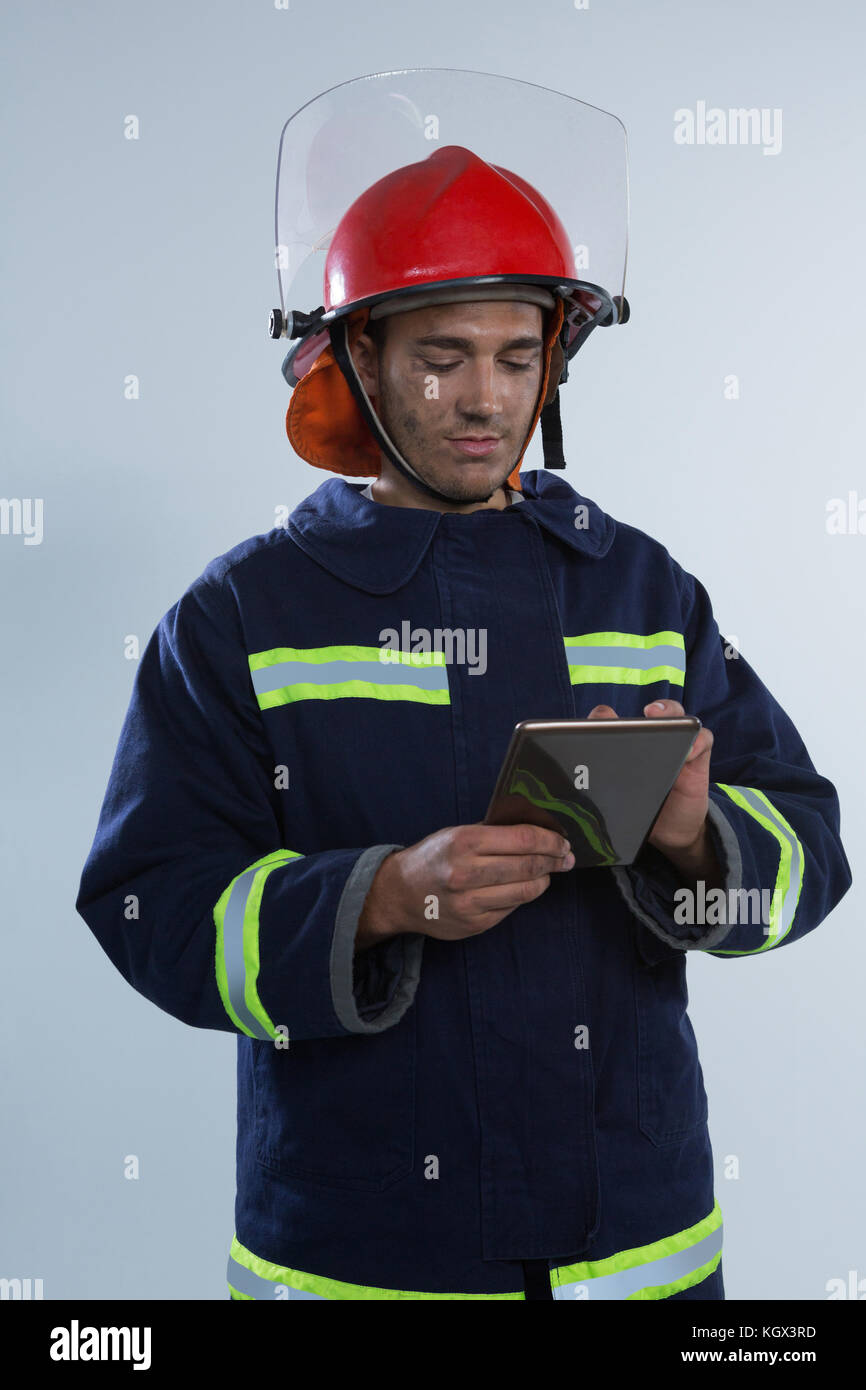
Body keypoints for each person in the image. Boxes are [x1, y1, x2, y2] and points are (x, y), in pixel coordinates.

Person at [76, 88, 852, 1302]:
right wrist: (376, 897)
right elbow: (147, 906)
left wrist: (695, 836)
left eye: (515, 355)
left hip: (637, 1259)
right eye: (439, 359)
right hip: (363, 1259)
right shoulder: (240, 617)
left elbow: (810, 855)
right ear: (356, 359)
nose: (487, 400)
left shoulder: (641, 587)